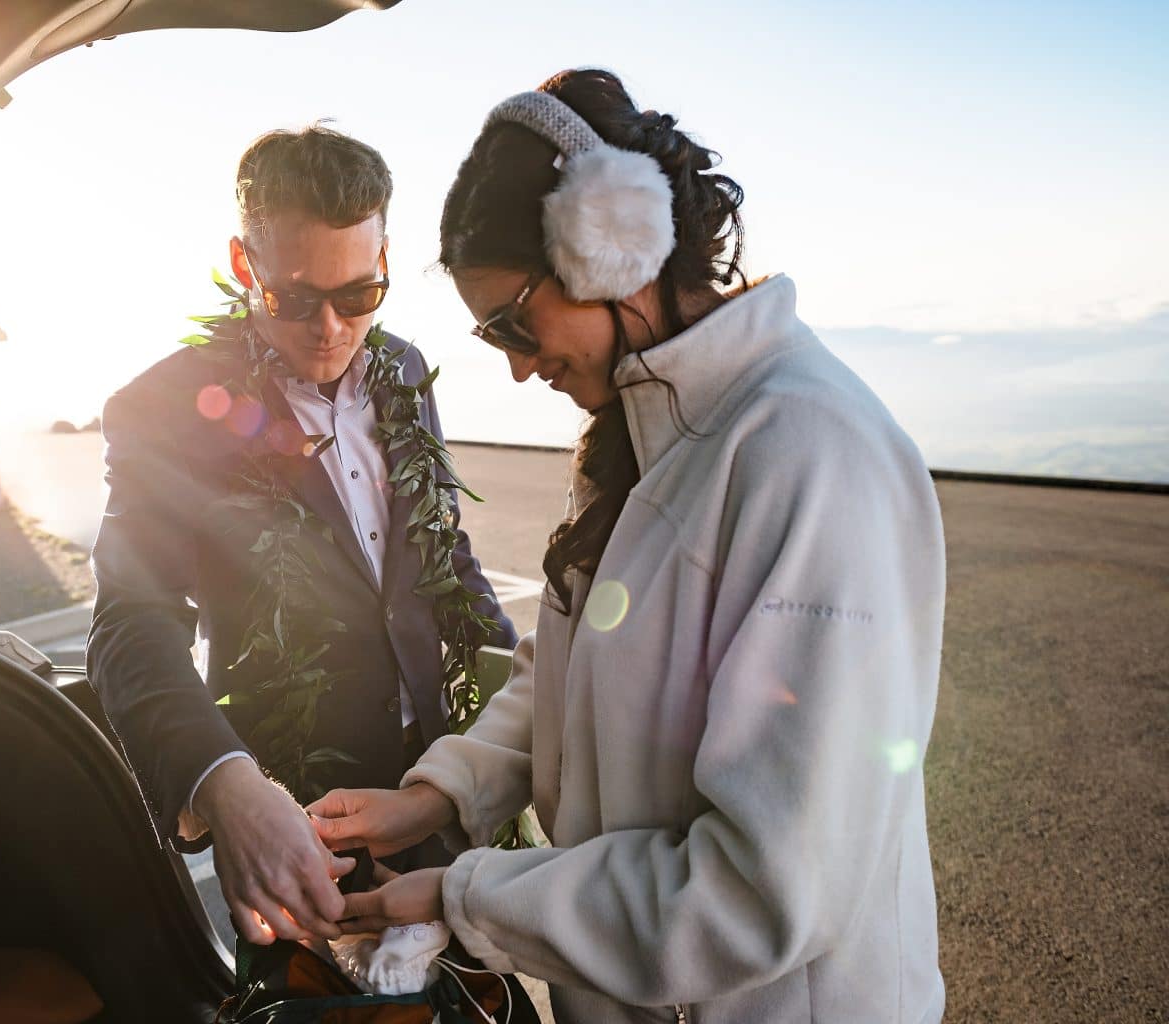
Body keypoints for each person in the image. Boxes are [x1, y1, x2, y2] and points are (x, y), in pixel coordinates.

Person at [308, 69, 946, 1022]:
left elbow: (761, 895)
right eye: (491, 338)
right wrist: (440, 792)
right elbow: (569, 667)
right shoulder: (640, 437)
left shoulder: (808, 456)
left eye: (517, 322)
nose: (520, 366)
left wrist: (463, 895)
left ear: (614, 249)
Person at [87, 125, 516, 947]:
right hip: (296, 825)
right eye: (294, 298)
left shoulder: (409, 371)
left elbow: (441, 555)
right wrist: (227, 787)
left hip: (435, 786)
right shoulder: (163, 411)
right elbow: (128, 624)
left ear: (385, 257)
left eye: (358, 294)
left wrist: (514, 733)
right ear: (245, 266)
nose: (330, 327)